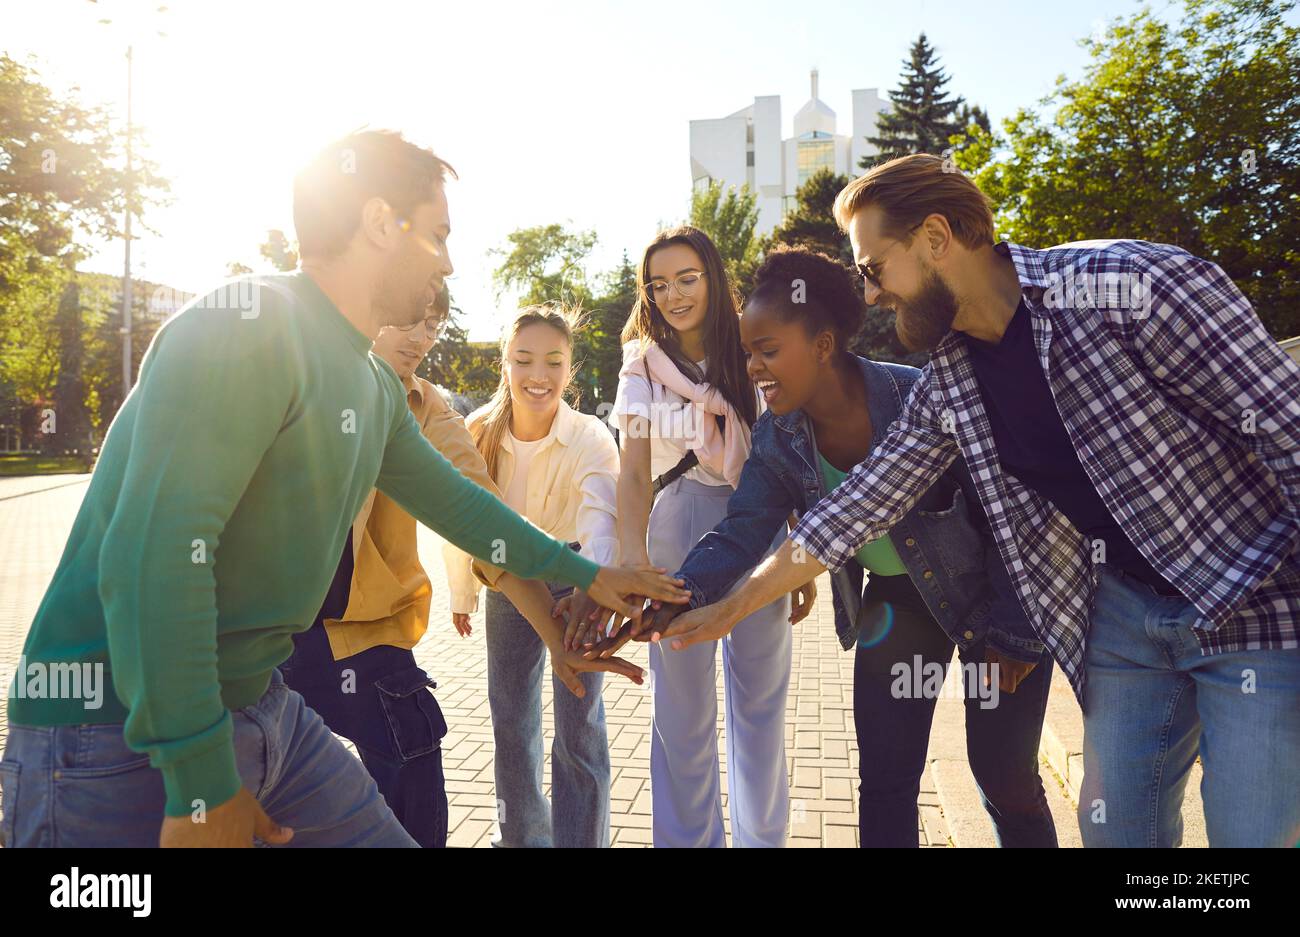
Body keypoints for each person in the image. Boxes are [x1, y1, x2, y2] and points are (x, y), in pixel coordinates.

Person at [0, 130, 686, 848]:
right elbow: (156, 557)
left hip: (260, 707)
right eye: (438, 234)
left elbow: (461, 507)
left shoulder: (370, 384)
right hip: (110, 732)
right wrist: (201, 778)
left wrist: (589, 574)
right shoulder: (246, 326)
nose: (448, 261)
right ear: (379, 222)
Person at [655, 153, 1300, 848]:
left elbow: (1286, 431)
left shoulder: (1130, 285)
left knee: (1249, 834)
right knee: (1118, 830)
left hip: (1248, 599)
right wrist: (723, 606)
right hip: (1123, 619)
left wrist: (1012, 634)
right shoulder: (950, 378)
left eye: (875, 268)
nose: (870, 294)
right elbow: (857, 507)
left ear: (936, 238)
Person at [598, 245, 1058, 846]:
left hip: (990, 600)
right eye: (749, 353)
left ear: (821, 345)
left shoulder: (916, 398)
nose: (754, 369)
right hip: (897, 605)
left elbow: (1011, 513)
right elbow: (742, 529)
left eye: (768, 351)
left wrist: (1015, 631)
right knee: (886, 780)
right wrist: (672, 600)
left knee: (1004, 777)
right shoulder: (778, 437)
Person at [280, 291, 643, 847]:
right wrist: (464, 595)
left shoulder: (430, 411)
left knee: (426, 766)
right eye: (408, 318)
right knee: (268, 793)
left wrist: (585, 589)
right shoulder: (295, 372)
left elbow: (483, 522)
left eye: (432, 325)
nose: (421, 337)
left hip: (377, 632)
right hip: (268, 633)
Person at [598, 226, 804, 848]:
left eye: (687, 279)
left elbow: (786, 453)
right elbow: (634, 471)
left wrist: (796, 553)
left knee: (760, 708)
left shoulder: (752, 346)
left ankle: (763, 841)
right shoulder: (642, 363)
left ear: (713, 277)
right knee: (681, 712)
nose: (674, 295)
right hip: (678, 522)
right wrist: (632, 559)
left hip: (758, 521)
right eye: (659, 285)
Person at [442, 303, 620, 847]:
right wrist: (462, 594)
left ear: (570, 368)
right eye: (523, 360)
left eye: (553, 362)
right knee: (512, 722)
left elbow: (602, 519)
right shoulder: (477, 430)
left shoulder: (590, 435)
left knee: (579, 728)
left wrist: (592, 587)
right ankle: (522, 838)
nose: (537, 375)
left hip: (576, 581)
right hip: (507, 581)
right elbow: (461, 520)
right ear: (505, 363)